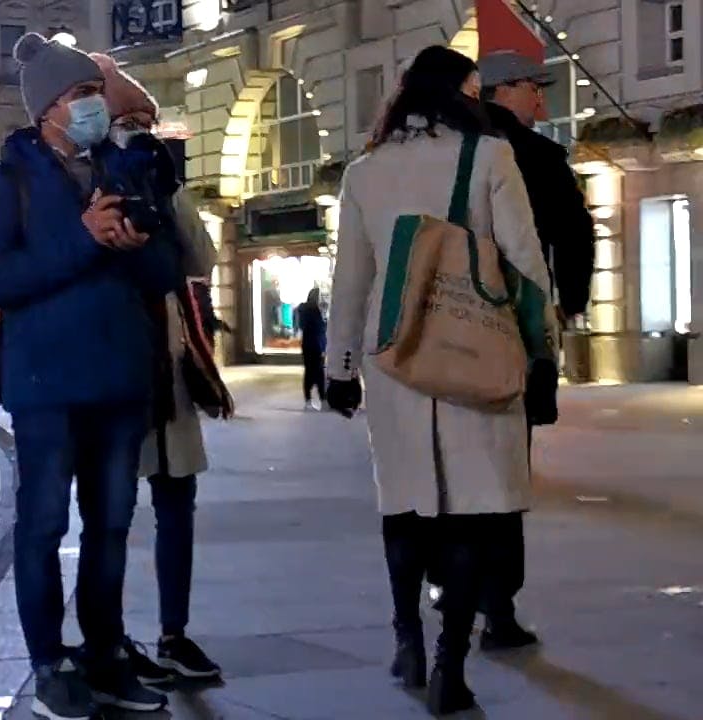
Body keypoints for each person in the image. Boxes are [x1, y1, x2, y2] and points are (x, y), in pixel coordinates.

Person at [323, 45, 558, 715]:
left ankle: (407, 643)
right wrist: (542, 354)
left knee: (405, 507)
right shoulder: (488, 156)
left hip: (395, 357)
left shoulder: (365, 173)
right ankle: (451, 668)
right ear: (460, 91)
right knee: (471, 518)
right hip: (475, 350)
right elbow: (524, 262)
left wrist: (340, 368)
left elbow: (351, 281)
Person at [0, 33, 175, 719]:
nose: (96, 108)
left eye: (96, 95)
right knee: (44, 526)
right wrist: (84, 239)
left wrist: (137, 244)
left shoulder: (123, 172)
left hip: (120, 380)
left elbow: (168, 273)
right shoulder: (2, 186)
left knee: (112, 525)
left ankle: (107, 653)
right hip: (47, 387)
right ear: (50, 107)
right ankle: (50, 664)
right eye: (84, 95)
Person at [86, 52, 223, 686]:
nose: (142, 132)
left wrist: (168, 193)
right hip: (110, 363)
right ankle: (109, 643)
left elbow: (201, 256)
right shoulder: (83, 179)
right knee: (109, 513)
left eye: (149, 121)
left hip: (166, 364)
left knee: (177, 501)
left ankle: (173, 632)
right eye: (131, 119)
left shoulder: (161, 180)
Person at [472, 50, 595, 649]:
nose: (541, 99)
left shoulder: (448, 151)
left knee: (446, 467)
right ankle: (497, 607)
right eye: (532, 88)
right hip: (512, 332)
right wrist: (569, 302)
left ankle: (447, 593)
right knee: (503, 467)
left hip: (443, 333)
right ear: (501, 91)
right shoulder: (538, 157)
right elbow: (574, 234)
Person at [295, 288, 327, 409]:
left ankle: (311, 399)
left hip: (309, 345)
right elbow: (319, 329)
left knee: (312, 372)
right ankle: (320, 399)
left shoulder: (305, 310)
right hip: (315, 345)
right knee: (317, 372)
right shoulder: (313, 310)